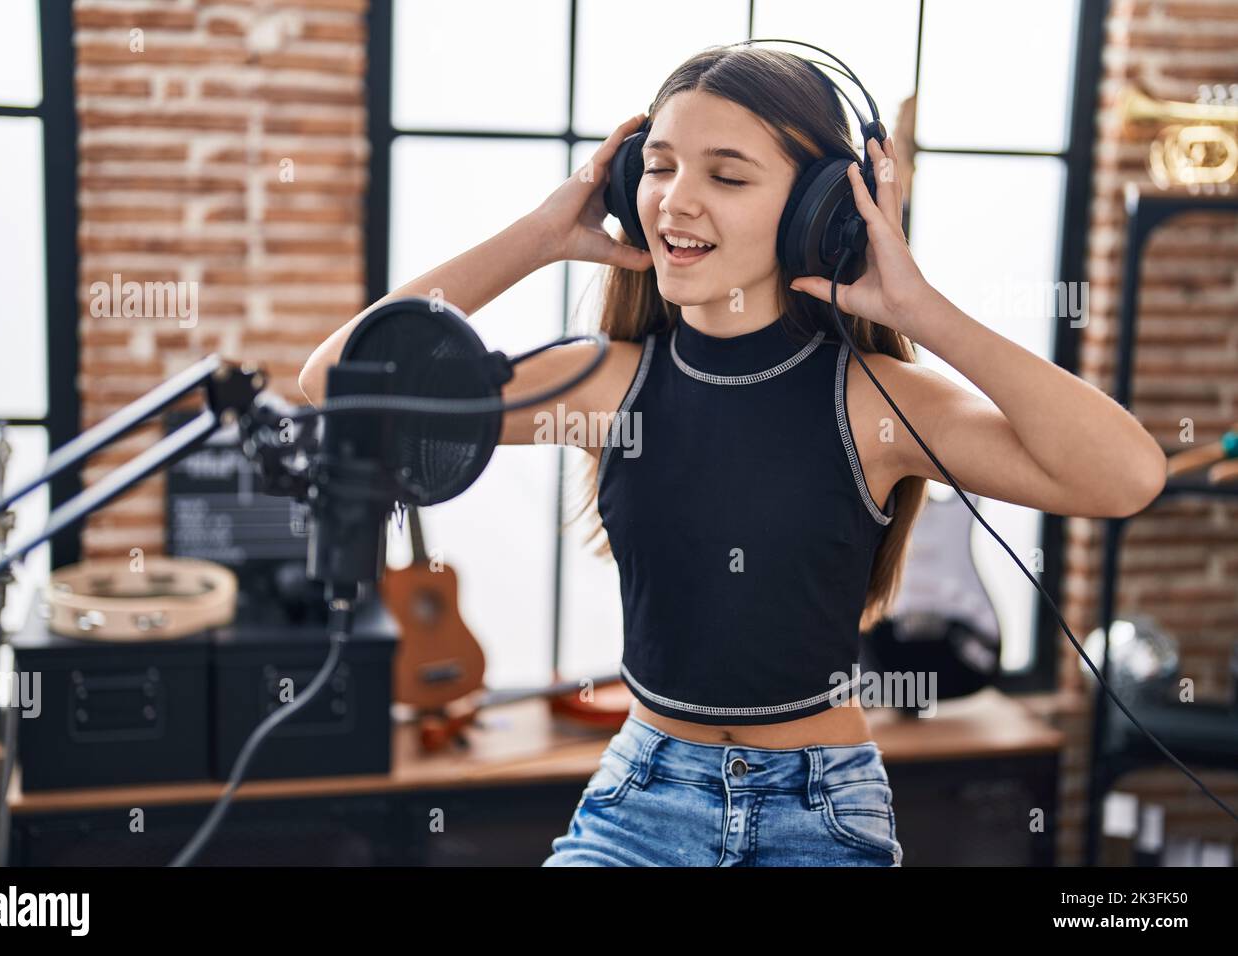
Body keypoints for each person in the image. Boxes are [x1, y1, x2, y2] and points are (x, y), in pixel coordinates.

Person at [299, 45, 1167, 867]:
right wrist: (538, 235)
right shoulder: (605, 383)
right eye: (661, 166)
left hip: (821, 810)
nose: (676, 200)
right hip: (643, 795)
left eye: (726, 175)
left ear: (820, 209)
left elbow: (1125, 475)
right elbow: (340, 383)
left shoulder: (874, 400)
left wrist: (922, 309)